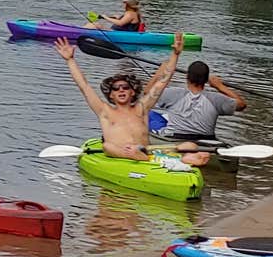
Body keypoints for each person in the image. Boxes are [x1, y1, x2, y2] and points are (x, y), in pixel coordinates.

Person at [53, 32, 204, 165]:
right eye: (116, 88)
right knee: (107, 146)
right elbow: (84, 86)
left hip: (144, 152)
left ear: (132, 92)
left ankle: (180, 159)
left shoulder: (142, 108)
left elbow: (163, 81)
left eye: (125, 87)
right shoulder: (104, 111)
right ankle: (138, 157)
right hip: (120, 154)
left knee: (191, 146)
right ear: (111, 94)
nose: (121, 90)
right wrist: (70, 60)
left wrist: (175, 55)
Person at [153, 60, 246, 150]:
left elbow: (147, 94)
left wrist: (161, 72)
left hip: (173, 139)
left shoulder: (172, 93)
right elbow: (241, 105)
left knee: (151, 115)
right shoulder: (217, 99)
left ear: (187, 77)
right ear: (206, 80)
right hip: (206, 141)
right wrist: (219, 86)